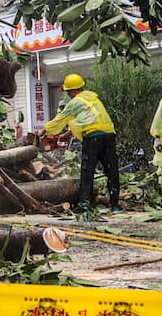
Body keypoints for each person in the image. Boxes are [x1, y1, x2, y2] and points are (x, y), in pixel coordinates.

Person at [43, 73, 119, 212]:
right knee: (111, 171)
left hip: (92, 139)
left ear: (71, 91)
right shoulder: (94, 99)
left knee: (87, 172)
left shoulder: (74, 103)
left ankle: (85, 204)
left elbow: (57, 122)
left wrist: (43, 131)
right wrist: (66, 135)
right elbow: (85, 121)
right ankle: (115, 205)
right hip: (109, 136)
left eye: (67, 92)